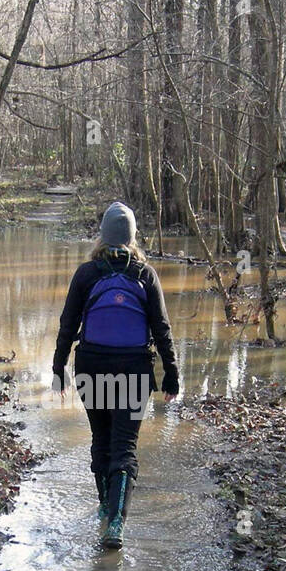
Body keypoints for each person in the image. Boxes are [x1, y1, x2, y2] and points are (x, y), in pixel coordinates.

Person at [52, 202, 179, 548]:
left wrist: (58, 369)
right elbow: (162, 329)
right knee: (124, 447)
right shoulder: (145, 274)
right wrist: (172, 373)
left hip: (91, 365)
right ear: (133, 237)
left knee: (101, 440)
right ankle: (116, 524)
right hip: (134, 369)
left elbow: (68, 326)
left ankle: (105, 506)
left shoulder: (86, 273)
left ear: (102, 236)